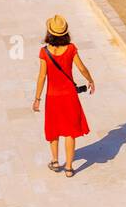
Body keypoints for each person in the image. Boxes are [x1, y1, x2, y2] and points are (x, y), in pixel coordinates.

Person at [32, 14, 95, 177]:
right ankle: (69, 167)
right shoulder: (71, 48)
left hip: (52, 97)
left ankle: (54, 161)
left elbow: (41, 77)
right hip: (69, 96)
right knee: (70, 132)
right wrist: (90, 80)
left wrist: (37, 99)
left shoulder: (44, 52)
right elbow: (82, 68)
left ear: (49, 33)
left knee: (53, 129)